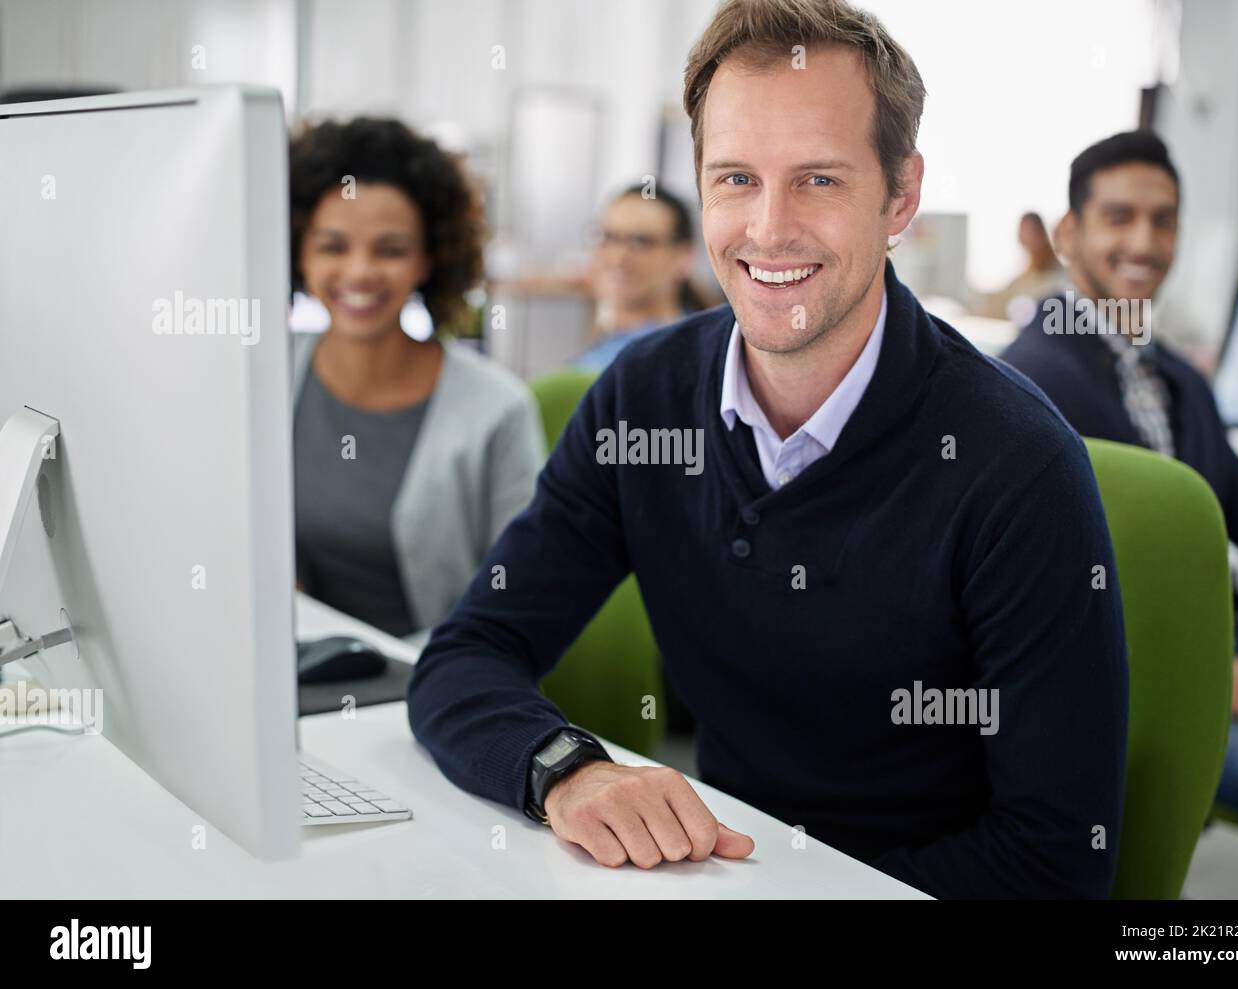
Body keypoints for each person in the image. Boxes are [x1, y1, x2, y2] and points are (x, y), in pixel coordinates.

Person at [407, 0, 1127, 899]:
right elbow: (466, 652)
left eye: (819, 179)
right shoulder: (644, 400)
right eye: (736, 178)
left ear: (899, 195)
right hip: (715, 875)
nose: (769, 228)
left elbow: (1057, 861)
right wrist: (567, 769)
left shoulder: (1016, 467)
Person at [1000, 129, 1238, 899]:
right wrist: (1212, 673)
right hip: (1139, 681)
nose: (1145, 241)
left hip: (1232, 651)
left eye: (1163, 220)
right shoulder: (1023, 386)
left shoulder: (1175, 378)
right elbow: (1042, 596)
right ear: (1069, 233)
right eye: (1120, 216)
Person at [289, 117, 545, 640]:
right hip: (284, 673)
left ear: (430, 258)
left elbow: (521, 599)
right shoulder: (261, 375)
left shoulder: (496, 409)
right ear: (298, 250)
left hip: (428, 687)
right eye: (333, 246)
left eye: (391, 250)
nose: (360, 272)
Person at [572, 184, 704, 371]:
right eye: (607, 237)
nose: (617, 257)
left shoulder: (685, 357)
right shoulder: (606, 349)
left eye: (640, 242)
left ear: (683, 257)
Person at [975, 212, 1067, 321]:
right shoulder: (1023, 279)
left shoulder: (1059, 277)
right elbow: (998, 304)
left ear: (1042, 234)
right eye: (1024, 233)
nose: (1028, 239)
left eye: (1032, 232)